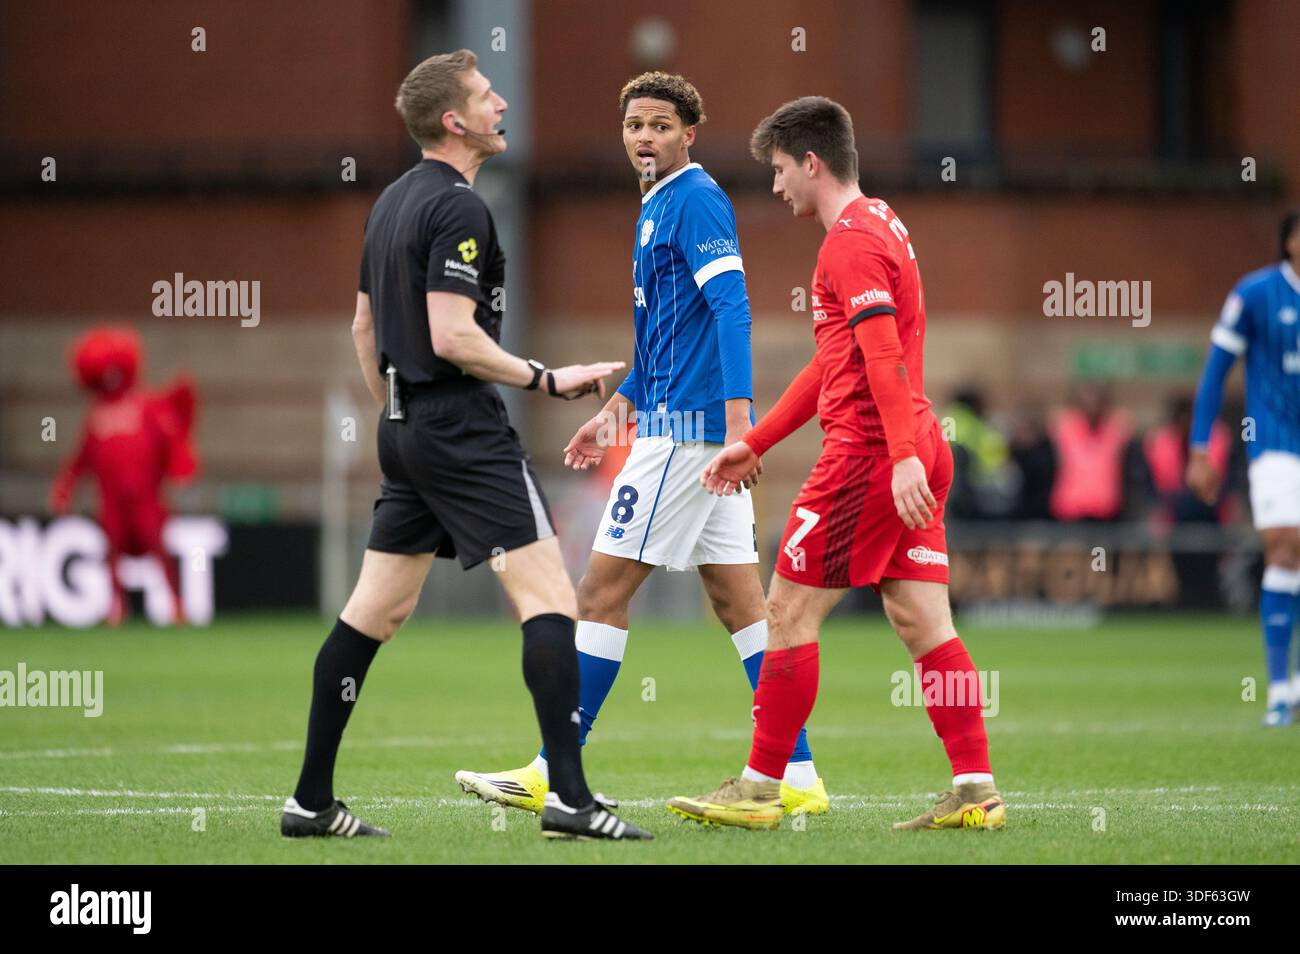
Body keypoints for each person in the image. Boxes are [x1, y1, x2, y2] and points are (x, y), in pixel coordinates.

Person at [280, 50, 650, 841]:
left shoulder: (389, 203)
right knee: (549, 599)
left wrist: (398, 415)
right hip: (460, 427)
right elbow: (453, 335)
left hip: (407, 428)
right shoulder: (459, 209)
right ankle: (572, 801)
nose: (501, 103)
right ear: (455, 121)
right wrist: (547, 379)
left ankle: (310, 801)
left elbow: (364, 328)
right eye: (487, 97)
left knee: (373, 612)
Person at [455, 71, 827, 818]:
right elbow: (660, 345)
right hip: (668, 427)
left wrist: (737, 427)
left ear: (689, 133)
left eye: (660, 125)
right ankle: (799, 774)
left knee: (597, 595)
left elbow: (732, 310)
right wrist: (614, 413)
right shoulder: (656, 206)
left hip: (690, 441)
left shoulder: (694, 199)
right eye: (634, 126)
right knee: (739, 603)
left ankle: (550, 771)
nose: (644, 138)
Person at [667, 96, 1003, 831]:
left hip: (872, 457)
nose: (777, 186)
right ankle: (976, 786)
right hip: (911, 445)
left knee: (786, 612)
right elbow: (837, 363)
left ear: (811, 163)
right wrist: (755, 441)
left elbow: (879, 353)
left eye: (781, 170)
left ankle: (759, 788)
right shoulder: (883, 222)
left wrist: (901, 460)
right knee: (923, 621)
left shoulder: (847, 244)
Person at [1187, 209, 1300, 727]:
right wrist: (1199, 446)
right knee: (1283, 543)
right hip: (1275, 441)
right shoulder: (1255, 294)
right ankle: (1280, 686)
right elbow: (1216, 372)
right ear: (1289, 242)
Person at [50, 326, 197, 626]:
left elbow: (169, 439)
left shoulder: (145, 406)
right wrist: (65, 488)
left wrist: (181, 463)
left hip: (146, 497)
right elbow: (81, 458)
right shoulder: (97, 414)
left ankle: (176, 604)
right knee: (112, 552)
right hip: (111, 501)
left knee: (159, 550)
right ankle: (117, 607)